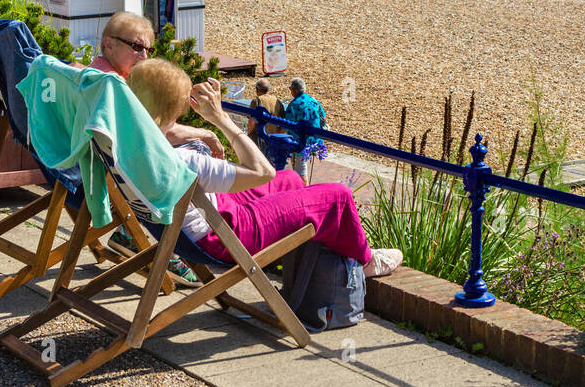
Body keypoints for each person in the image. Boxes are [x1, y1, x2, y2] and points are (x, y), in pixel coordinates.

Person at [128, 61, 402, 278]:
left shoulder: (129, 140)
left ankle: (307, 262)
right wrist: (220, 119)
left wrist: (203, 133)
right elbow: (262, 171)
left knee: (291, 179)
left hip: (196, 225)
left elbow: (168, 129)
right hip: (223, 236)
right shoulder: (182, 162)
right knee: (337, 195)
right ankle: (365, 262)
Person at [90, 13, 199, 286]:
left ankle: (131, 232)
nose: (144, 56)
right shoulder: (113, 87)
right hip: (112, 182)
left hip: (91, 172)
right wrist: (208, 133)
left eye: (149, 49)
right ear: (109, 44)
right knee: (194, 153)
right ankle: (170, 245)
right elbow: (156, 133)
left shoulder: (92, 75)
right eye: (137, 46)